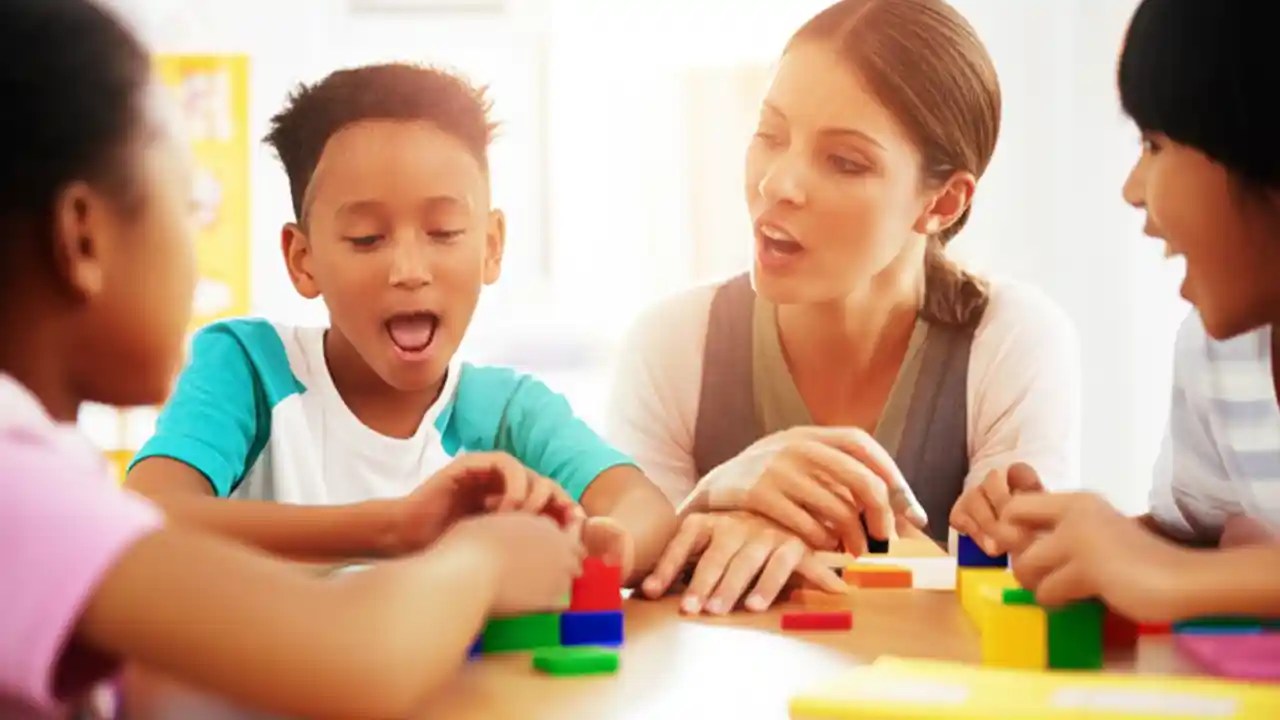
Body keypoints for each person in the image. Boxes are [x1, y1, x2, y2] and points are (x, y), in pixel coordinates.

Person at [0, 2, 587, 718]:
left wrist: (401, 532)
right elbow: (358, 658)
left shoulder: (37, 473)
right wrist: (485, 559)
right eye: (187, 208)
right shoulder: (15, 489)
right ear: (83, 240)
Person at [608, 0, 1080, 615]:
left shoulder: (1011, 342)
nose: (777, 183)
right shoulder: (673, 344)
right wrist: (721, 492)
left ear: (942, 203)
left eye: (845, 162)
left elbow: (1016, 599)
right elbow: (635, 592)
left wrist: (793, 532)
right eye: (770, 135)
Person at [125, 63, 678, 583]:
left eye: (444, 232)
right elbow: (145, 517)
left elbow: (642, 507)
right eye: (367, 238)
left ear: (491, 246)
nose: (409, 271)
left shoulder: (508, 412)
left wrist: (604, 549)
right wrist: (392, 528)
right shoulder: (249, 369)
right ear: (302, 259)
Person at [997, 0, 1280, 622]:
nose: (1132, 189)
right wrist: (1075, 541)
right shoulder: (1220, 358)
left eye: (1155, 144)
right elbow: (1190, 544)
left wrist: (1172, 578)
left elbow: (1180, 575)